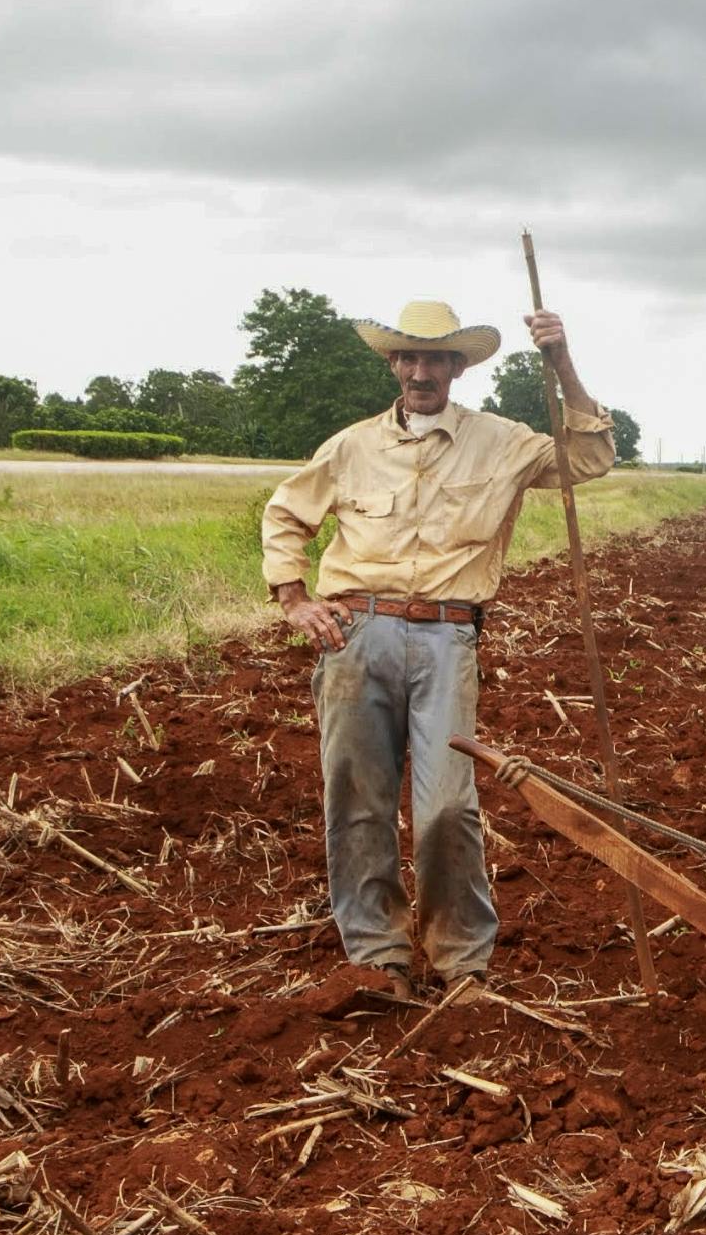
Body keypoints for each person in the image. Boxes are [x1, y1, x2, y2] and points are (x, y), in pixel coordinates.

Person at [260, 299, 614, 997]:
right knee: (357, 798)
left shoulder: (503, 441)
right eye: (410, 357)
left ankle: (461, 962)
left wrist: (562, 362)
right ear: (394, 364)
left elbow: (590, 456)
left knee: (449, 804)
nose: (422, 371)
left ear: (457, 368)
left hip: (449, 635)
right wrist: (294, 599)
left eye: (436, 359)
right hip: (357, 634)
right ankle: (378, 957)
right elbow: (286, 513)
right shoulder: (351, 445)